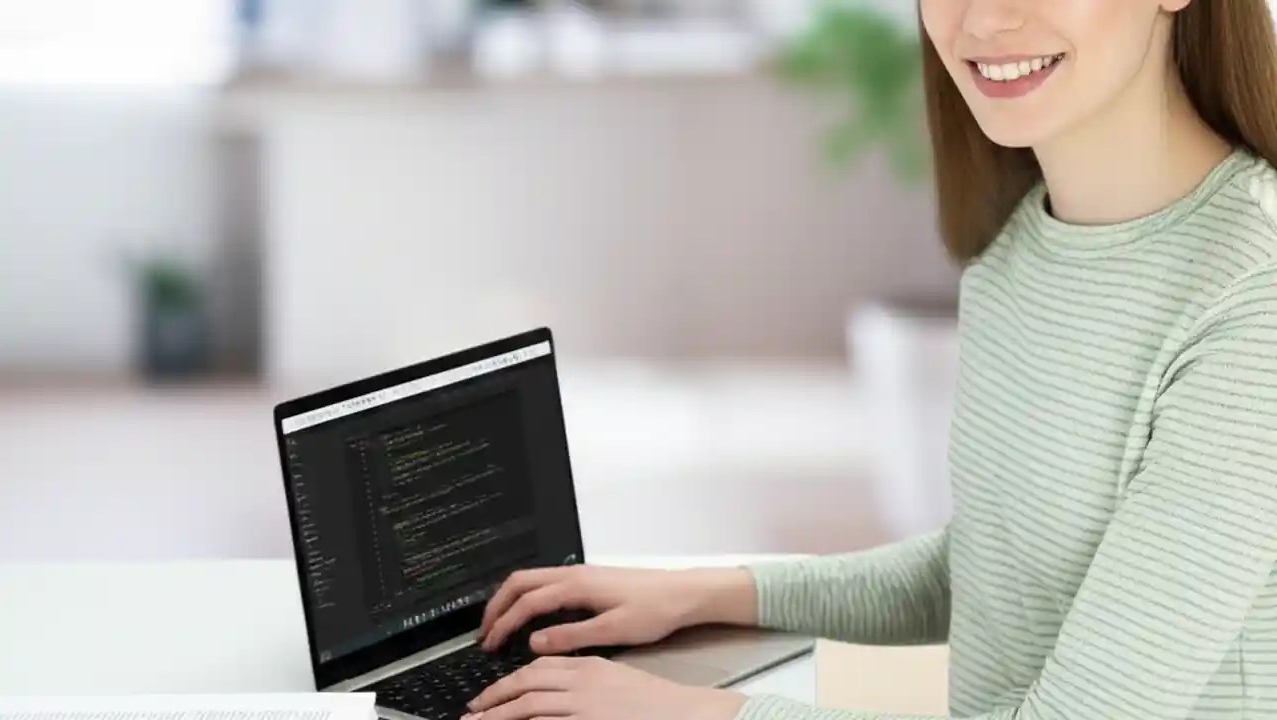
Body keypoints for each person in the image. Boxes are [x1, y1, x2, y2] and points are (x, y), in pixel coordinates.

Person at [465, 0, 1277, 718]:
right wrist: (705, 594)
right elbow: (993, 570)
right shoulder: (1021, 255)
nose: (984, 19)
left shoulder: (1250, 300)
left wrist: (697, 714)